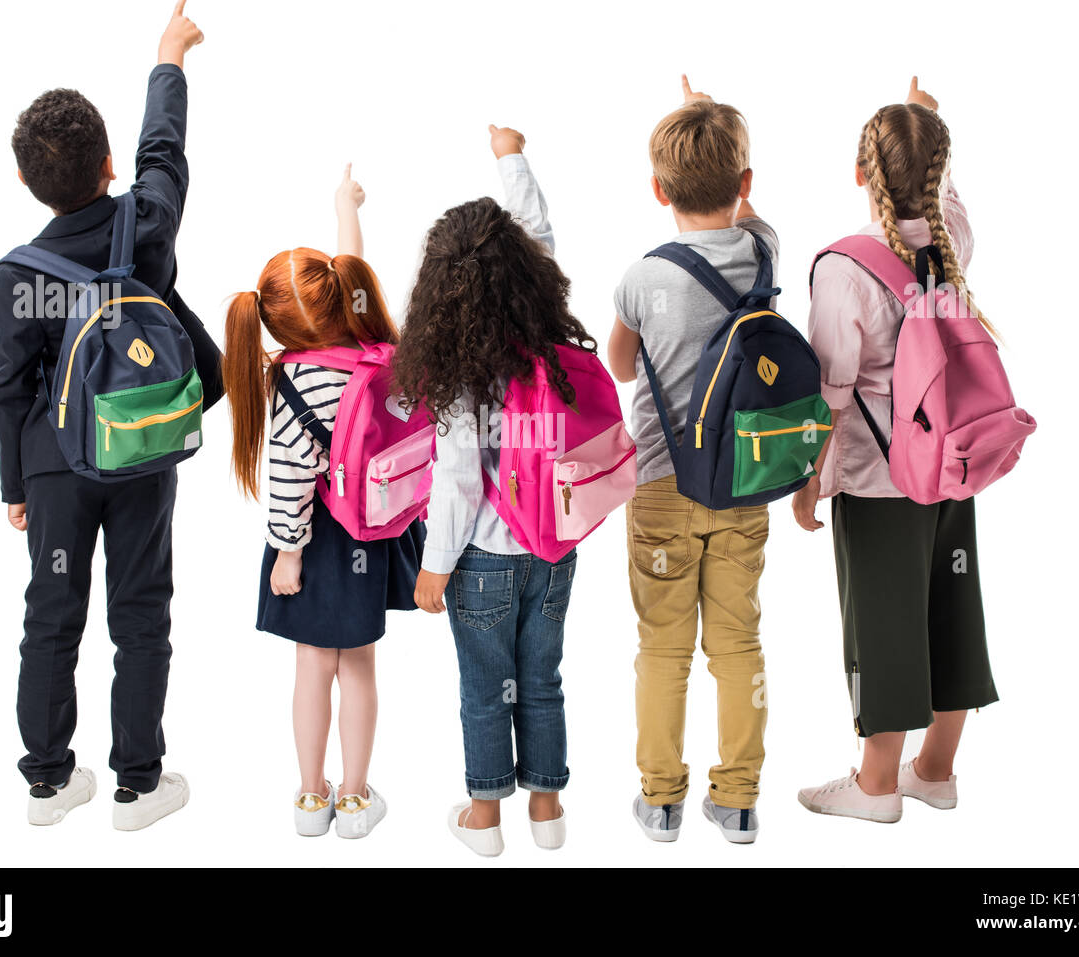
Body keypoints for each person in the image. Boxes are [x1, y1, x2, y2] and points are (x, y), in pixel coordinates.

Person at [0, 0, 220, 830]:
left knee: (51, 612)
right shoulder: (146, 222)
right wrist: (169, 57)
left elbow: (8, 387)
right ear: (109, 161)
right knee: (140, 610)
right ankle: (138, 783)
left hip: (54, 464)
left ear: (25, 181)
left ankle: (48, 782)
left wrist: (15, 483)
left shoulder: (18, 271)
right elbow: (167, 148)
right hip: (140, 445)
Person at [793, 78, 999, 823]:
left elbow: (832, 390)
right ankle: (935, 769)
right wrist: (931, 123)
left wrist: (811, 482)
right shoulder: (953, 243)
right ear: (939, 179)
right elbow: (948, 203)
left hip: (879, 481)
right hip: (954, 466)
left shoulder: (844, 269)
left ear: (860, 174)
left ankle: (877, 783)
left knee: (882, 620)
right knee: (952, 609)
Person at [397, 125, 588, 857]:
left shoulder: (457, 371)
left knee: (486, 688)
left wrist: (434, 564)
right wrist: (512, 156)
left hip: (482, 558)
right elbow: (536, 231)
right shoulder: (543, 328)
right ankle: (547, 807)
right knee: (542, 677)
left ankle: (485, 815)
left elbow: (455, 478)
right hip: (555, 545)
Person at [222, 166, 424, 840]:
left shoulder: (290, 383)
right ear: (343, 303)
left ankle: (312, 798)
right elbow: (352, 268)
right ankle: (358, 797)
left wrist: (287, 550)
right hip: (371, 531)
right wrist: (346, 206)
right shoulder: (374, 351)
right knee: (359, 665)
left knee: (313, 665)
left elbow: (289, 477)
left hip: (311, 540)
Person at [607, 76, 778, 844]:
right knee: (738, 643)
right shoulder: (761, 250)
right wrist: (712, 119)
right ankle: (738, 801)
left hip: (663, 485)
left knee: (663, 648)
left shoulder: (644, 277)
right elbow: (753, 214)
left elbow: (618, 365)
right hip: (744, 479)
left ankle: (661, 799)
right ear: (746, 183)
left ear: (656, 189)